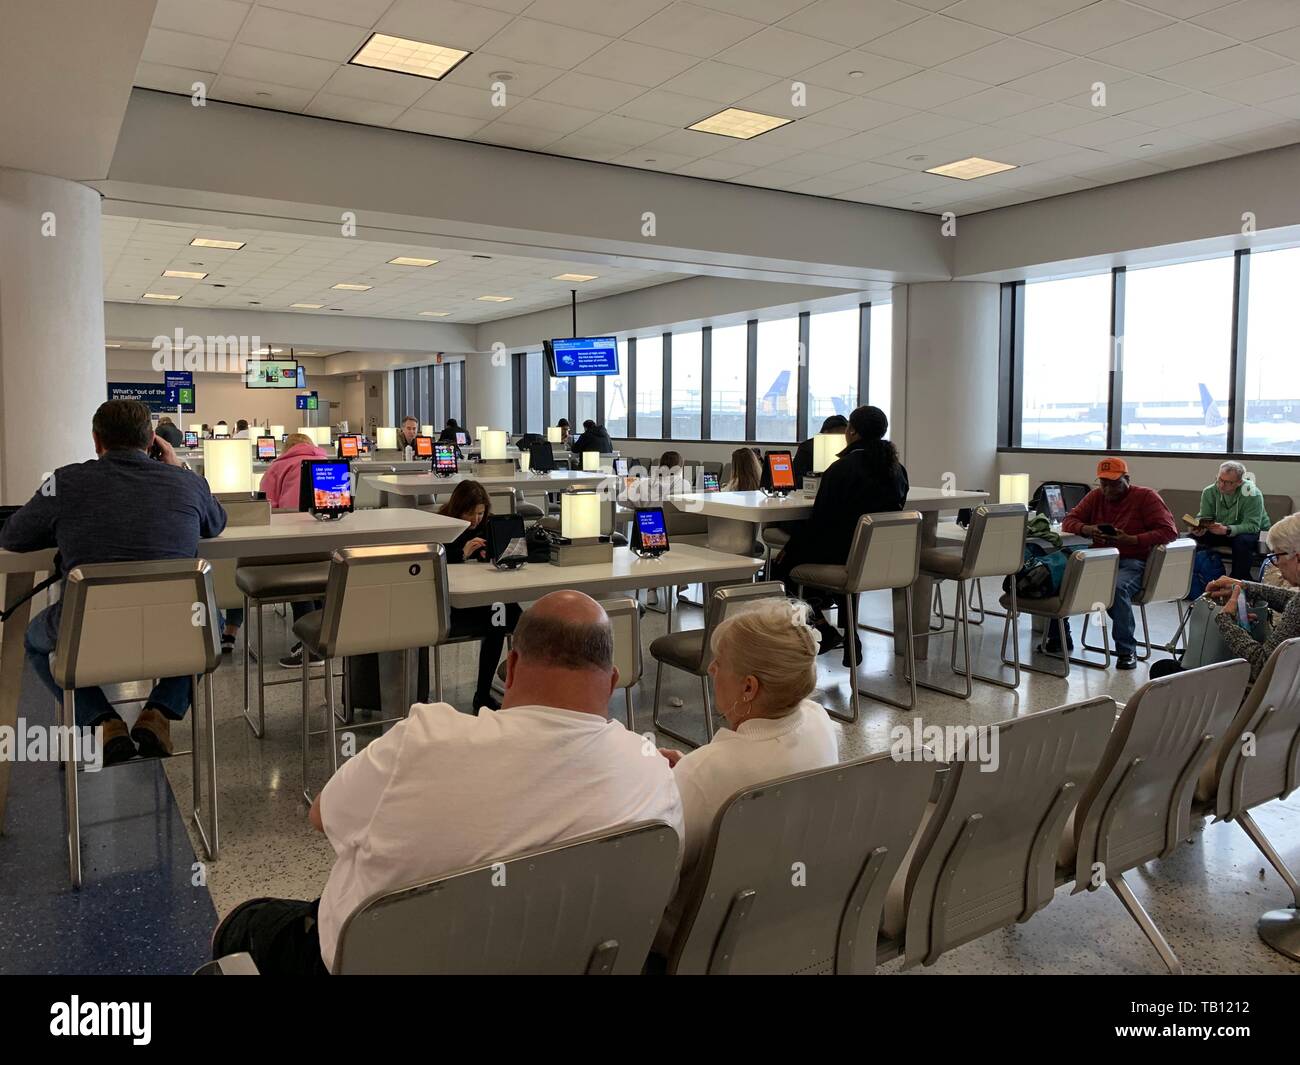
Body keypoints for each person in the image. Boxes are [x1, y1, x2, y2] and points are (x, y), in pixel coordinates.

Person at [211, 591, 683, 975]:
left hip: (367, 959)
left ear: (512, 667)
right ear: (614, 679)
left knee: (246, 922)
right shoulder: (650, 770)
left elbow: (321, 818)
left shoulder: (423, 738)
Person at [1, 400, 227, 764]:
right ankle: (159, 713)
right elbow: (216, 522)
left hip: (89, 635)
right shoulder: (187, 483)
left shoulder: (65, 481)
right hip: (177, 630)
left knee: (34, 640)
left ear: (96, 441)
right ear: (153, 440)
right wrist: (179, 468)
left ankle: (102, 721)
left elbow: (13, 536)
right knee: (211, 623)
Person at [654, 599, 838, 950]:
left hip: (706, 939)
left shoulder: (706, 773)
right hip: (786, 913)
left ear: (749, 688)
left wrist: (684, 782)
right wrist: (695, 771)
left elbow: (657, 889)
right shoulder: (819, 720)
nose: (711, 670)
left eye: (720, 664)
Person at [773, 405, 908, 657]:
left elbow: (821, 523)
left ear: (852, 431)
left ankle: (822, 628)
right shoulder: (898, 471)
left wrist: (789, 549)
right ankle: (841, 625)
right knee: (798, 559)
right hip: (882, 559)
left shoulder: (842, 469)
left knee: (779, 570)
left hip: (842, 555)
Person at [1059, 457, 1178, 670]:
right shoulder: (1095, 496)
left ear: (1127, 479)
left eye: (1114, 483)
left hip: (1133, 561)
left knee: (1116, 588)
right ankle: (1058, 636)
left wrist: (1132, 540)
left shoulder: (1146, 497)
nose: (1108, 489)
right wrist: (1089, 529)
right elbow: (1069, 520)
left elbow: (1169, 531)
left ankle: (1126, 650)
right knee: (1060, 575)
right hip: (1099, 559)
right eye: (1103, 483)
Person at [1152, 514, 1300, 683]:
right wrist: (1243, 586)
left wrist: (1225, 621)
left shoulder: (1297, 607)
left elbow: (1261, 665)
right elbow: (1292, 599)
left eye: (1276, 557)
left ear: (1297, 557)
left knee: (1164, 673)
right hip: (1289, 693)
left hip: (1259, 695)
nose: (1276, 564)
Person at [437, 481, 522, 712]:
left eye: (480, 513)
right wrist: (462, 553)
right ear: (457, 510)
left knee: (516, 617)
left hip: (487, 598)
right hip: (457, 606)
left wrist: (492, 552)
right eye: (470, 513)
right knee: (499, 620)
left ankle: (517, 674)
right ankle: (484, 694)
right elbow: (436, 560)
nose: (476, 519)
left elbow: (502, 552)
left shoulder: (488, 524)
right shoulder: (442, 526)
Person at [257, 432, 330, 667]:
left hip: (293, 538)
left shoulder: (278, 468)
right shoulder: (327, 463)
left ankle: (307, 645)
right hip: (328, 537)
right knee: (322, 580)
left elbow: (267, 508)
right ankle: (324, 638)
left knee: (298, 581)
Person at [1189, 460, 1271, 580]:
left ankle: (1238, 581)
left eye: (1228, 482)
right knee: (1191, 539)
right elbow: (1205, 515)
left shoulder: (1252, 494)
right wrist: (1200, 526)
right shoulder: (1209, 491)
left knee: (1242, 541)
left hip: (1251, 533)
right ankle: (1201, 576)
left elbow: (1253, 526)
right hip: (1221, 529)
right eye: (1220, 480)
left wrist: (1227, 530)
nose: (1221, 485)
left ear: (1239, 482)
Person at [793, 414, 848, 485]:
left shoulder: (847, 447)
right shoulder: (807, 447)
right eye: (839, 434)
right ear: (826, 432)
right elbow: (796, 477)